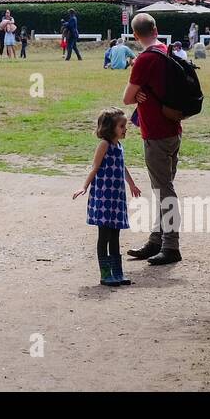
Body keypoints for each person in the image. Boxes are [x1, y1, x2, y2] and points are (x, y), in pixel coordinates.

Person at [123, 12, 183, 265]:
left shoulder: (145, 59)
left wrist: (136, 96)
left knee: (164, 191)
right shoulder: (168, 52)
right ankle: (156, 240)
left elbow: (127, 97)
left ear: (136, 35)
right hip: (173, 129)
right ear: (156, 30)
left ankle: (171, 246)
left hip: (156, 133)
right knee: (163, 187)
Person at [74, 108, 143, 286]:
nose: (125, 129)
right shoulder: (104, 145)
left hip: (116, 199)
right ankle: (105, 274)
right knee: (104, 236)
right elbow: (95, 167)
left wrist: (132, 183)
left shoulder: (119, 147)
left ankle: (118, 273)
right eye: (121, 126)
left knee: (115, 236)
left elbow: (122, 167)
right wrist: (84, 187)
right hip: (104, 198)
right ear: (110, 128)